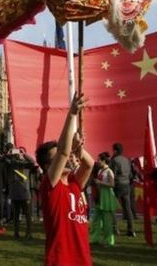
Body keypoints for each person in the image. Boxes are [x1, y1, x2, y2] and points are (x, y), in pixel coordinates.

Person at [35, 93, 94, 266]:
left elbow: (89, 164)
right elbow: (63, 152)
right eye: (57, 159)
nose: (67, 159)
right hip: (61, 260)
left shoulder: (75, 183)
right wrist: (72, 114)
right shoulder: (50, 185)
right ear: (48, 166)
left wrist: (79, 149)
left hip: (82, 259)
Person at [6, 147, 37, 240]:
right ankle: (16, 233)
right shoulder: (12, 163)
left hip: (25, 193)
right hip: (14, 192)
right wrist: (9, 153)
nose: (17, 153)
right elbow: (3, 160)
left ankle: (29, 233)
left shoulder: (26, 164)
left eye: (20, 152)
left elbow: (33, 162)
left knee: (28, 215)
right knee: (15, 215)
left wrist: (24, 154)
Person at [89, 152, 116, 247]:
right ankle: (94, 238)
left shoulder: (109, 171)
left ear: (104, 160)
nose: (98, 161)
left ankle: (109, 241)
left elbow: (112, 184)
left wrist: (100, 182)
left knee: (107, 221)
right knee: (96, 219)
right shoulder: (100, 170)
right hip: (99, 196)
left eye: (99, 159)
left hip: (106, 196)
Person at [110, 142, 135, 237]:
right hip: (126, 184)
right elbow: (130, 174)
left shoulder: (114, 160)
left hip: (117, 185)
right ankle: (131, 229)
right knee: (127, 208)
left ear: (115, 151)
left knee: (112, 207)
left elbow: (113, 174)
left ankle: (115, 228)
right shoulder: (126, 160)